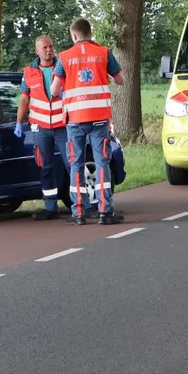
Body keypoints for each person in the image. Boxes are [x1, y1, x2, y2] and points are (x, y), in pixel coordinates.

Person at [51, 18, 126, 225]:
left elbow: (54, 90)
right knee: (103, 163)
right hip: (99, 120)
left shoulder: (64, 57)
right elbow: (121, 80)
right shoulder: (104, 53)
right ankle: (105, 212)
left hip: (74, 120)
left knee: (76, 164)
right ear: (90, 33)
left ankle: (78, 213)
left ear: (74, 35)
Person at [15, 35, 69, 220]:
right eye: (45, 47)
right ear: (36, 51)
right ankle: (50, 207)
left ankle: (84, 205)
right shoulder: (29, 72)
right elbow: (24, 98)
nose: (49, 50)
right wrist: (18, 122)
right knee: (46, 167)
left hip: (63, 125)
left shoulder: (63, 66)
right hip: (41, 128)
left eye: (51, 46)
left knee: (72, 164)